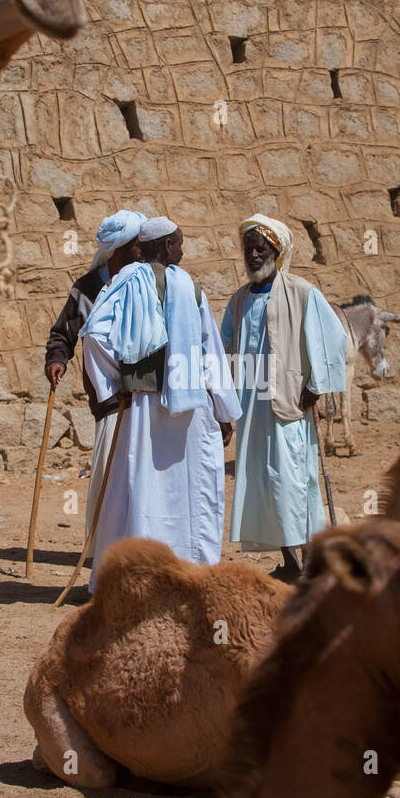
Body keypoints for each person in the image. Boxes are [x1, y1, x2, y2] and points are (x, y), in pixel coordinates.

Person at [80, 216, 241, 579]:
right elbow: (209, 354)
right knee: (190, 492)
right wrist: (223, 410)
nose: (183, 250)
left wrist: (116, 384)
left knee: (141, 489)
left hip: (140, 407)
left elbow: (93, 337)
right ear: (167, 246)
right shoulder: (191, 289)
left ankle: (136, 573)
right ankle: (188, 569)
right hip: (190, 410)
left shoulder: (123, 283)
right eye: (180, 243)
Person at [220, 213, 347, 582]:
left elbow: (331, 338)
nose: (254, 256)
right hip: (252, 405)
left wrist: (317, 384)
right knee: (264, 482)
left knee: (294, 481)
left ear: (276, 252)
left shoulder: (301, 292)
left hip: (288, 403)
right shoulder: (239, 299)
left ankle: (312, 561)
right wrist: (223, 397)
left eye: (260, 249)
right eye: (249, 249)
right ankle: (291, 562)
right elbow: (225, 346)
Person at [43, 209, 146, 541]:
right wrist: (57, 358)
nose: (142, 251)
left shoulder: (147, 283)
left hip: (144, 398)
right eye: (135, 245)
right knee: (109, 480)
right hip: (109, 402)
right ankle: (105, 550)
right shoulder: (87, 288)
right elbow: (64, 333)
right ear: (116, 250)